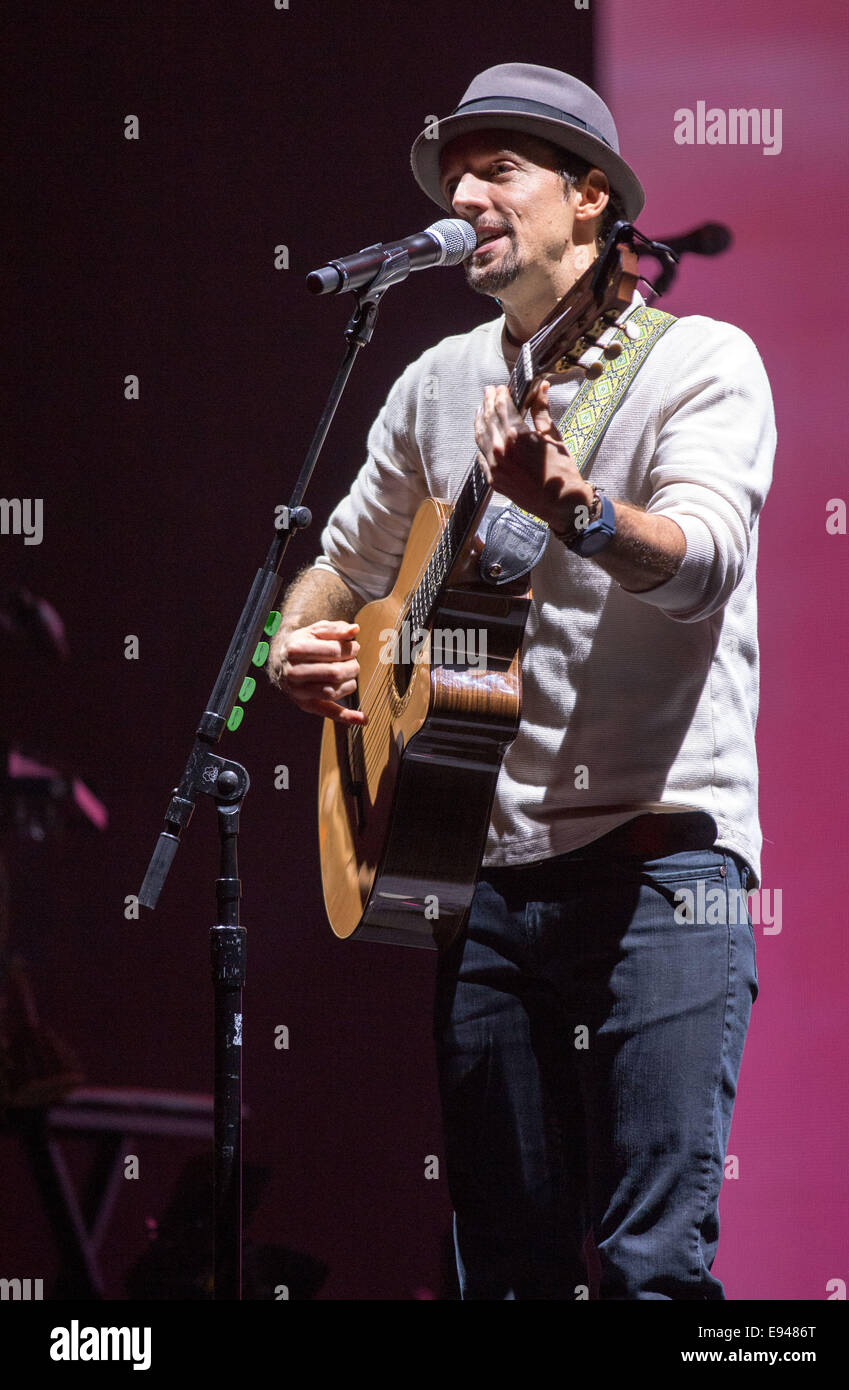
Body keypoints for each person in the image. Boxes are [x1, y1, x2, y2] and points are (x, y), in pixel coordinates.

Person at [268, 63, 775, 1300]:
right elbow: (339, 566)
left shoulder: (697, 361)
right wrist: (295, 643)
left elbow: (702, 563)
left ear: (588, 196)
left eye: (497, 170)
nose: (465, 195)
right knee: (501, 1269)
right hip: (480, 878)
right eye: (454, 177)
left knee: (652, 1266)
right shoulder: (435, 382)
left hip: (661, 868)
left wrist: (582, 512)